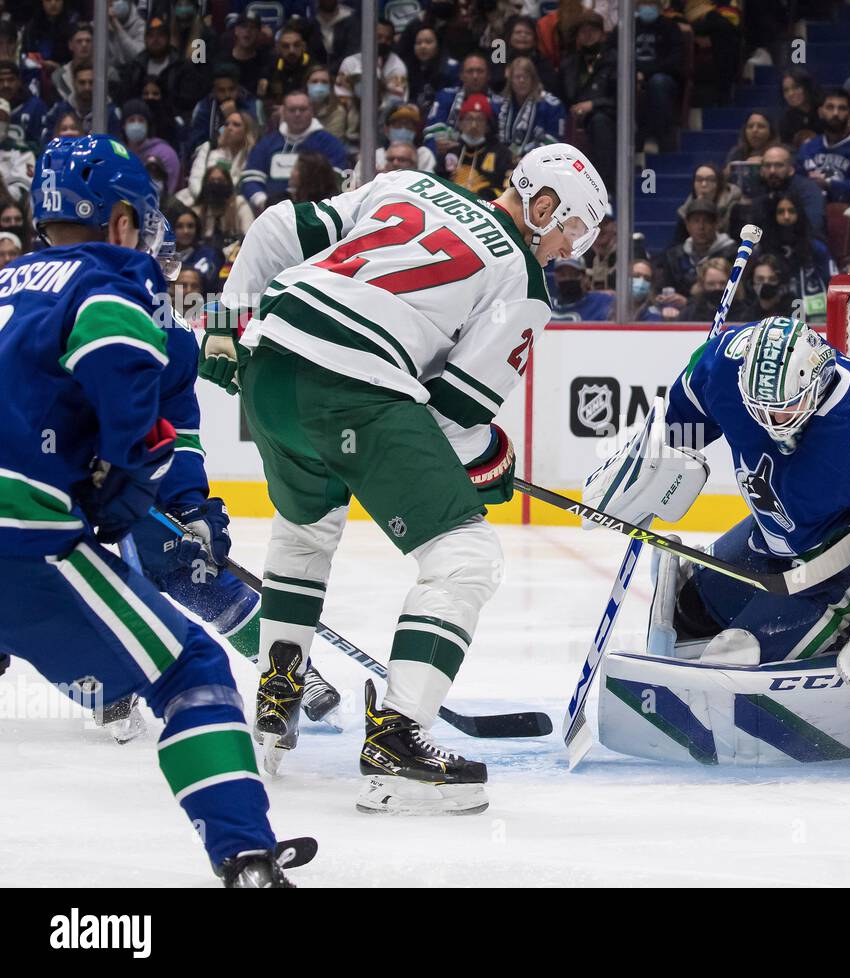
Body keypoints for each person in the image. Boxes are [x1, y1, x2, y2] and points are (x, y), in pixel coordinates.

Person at [197, 143, 609, 812]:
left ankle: (276, 700)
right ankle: (398, 740)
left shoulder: (408, 184)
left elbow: (276, 228)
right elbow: (453, 416)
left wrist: (222, 321)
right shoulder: (523, 284)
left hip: (269, 365)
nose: (567, 249)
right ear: (543, 207)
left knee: (305, 532)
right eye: (570, 229)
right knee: (465, 558)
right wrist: (489, 462)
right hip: (352, 387)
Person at [0, 134, 304, 886]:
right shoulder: (113, 280)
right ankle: (246, 856)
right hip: (18, 533)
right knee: (191, 670)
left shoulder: (7, 283)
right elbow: (122, 377)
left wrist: (153, 489)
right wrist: (125, 470)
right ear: (121, 221)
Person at [642, 315, 850, 699]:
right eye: (758, 406)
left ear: (818, 381)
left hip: (831, 569)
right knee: (688, 613)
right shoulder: (725, 365)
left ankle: (845, 624)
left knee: (735, 661)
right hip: (770, 538)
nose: (770, 420)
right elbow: (687, 412)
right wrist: (657, 456)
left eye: (783, 407)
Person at [241, 90, 349, 213]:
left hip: (315, 212)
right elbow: (251, 178)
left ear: (312, 111)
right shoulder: (267, 143)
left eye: (302, 109)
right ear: (283, 112)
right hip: (270, 212)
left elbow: (336, 179)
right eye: (292, 110)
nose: (297, 114)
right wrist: (265, 202)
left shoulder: (330, 143)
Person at [558, 12, 618, 186]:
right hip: (575, 116)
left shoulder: (615, 60)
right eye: (583, 31)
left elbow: (622, 101)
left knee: (600, 122)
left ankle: (604, 185)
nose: (588, 35)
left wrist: (593, 105)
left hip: (608, 116)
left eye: (592, 30)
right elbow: (562, 96)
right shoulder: (569, 63)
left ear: (602, 34)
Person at [763, 193, 836, 322]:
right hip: (773, 315)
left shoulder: (816, 247)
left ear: (799, 214)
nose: (786, 216)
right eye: (781, 212)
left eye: (791, 211)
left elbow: (832, 280)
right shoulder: (765, 248)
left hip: (815, 315)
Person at [630, 0, 686, 153]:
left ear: (659, 6)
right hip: (630, 77)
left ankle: (659, 138)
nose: (647, 7)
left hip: (664, 79)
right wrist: (632, 74)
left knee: (658, 83)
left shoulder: (670, 27)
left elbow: (675, 60)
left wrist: (645, 73)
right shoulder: (627, 27)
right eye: (643, 3)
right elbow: (612, 54)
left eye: (651, 3)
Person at [653, 197, 737, 300]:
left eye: (706, 221)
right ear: (687, 225)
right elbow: (663, 290)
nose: (701, 227)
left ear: (716, 224)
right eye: (696, 221)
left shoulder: (732, 254)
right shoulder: (674, 256)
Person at [422, 51, 503, 156]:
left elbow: (502, 140)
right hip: (447, 156)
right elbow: (431, 132)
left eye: (480, 71)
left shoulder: (499, 104)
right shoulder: (445, 96)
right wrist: (436, 146)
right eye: (470, 71)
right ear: (461, 75)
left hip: (487, 158)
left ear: (488, 75)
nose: (475, 76)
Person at [437, 94, 511, 199]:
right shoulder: (450, 150)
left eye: (480, 120)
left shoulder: (502, 154)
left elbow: (506, 190)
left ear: (487, 126)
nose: (474, 125)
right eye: (469, 119)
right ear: (460, 124)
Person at [796, 88, 850, 204]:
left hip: (848, 208)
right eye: (830, 107)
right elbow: (795, 183)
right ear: (820, 112)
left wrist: (828, 184)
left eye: (842, 108)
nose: (836, 113)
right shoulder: (808, 148)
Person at [498, 56, 566, 163]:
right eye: (517, 77)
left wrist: (528, 159)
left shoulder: (551, 106)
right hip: (503, 162)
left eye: (526, 77)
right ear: (510, 80)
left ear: (533, 79)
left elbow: (553, 141)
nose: (522, 81)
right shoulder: (500, 105)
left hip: (538, 164)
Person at [672, 163, 741, 245]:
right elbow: (676, 245)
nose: (703, 184)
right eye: (699, 180)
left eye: (710, 180)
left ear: (719, 185)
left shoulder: (735, 207)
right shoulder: (687, 210)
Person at [550, 256, 614, 321]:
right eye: (562, 275)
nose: (568, 278)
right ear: (555, 278)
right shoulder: (546, 305)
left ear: (585, 278)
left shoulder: (601, 301)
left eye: (574, 274)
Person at [777, 68, 821, 147]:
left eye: (796, 87)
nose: (791, 93)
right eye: (786, 90)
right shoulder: (785, 120)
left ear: (806, 87)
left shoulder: (825, 110)